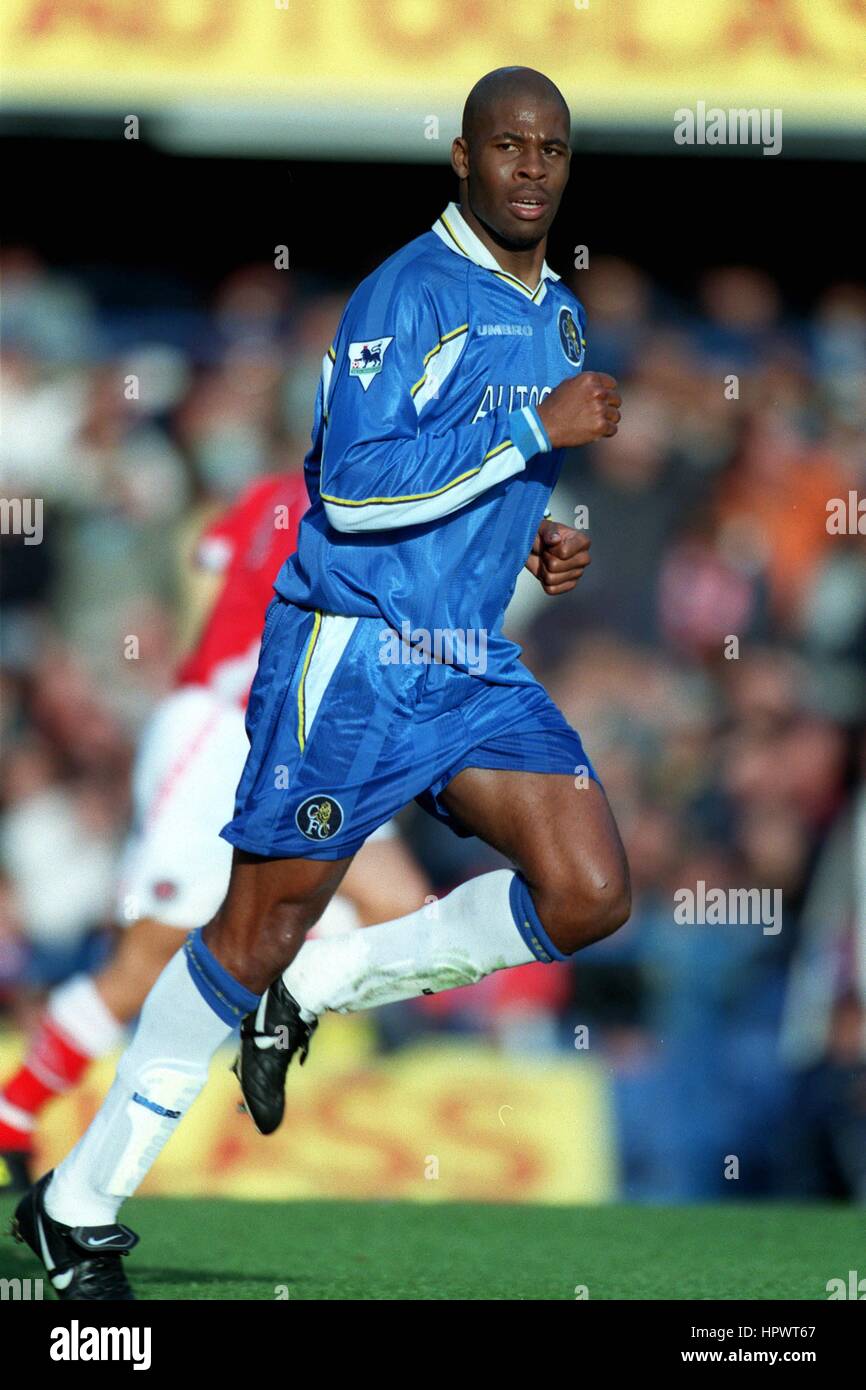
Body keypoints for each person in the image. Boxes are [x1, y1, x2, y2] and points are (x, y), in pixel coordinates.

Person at [13, 65, 630, 1300]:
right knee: (245, 931)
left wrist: (538, 540)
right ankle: (71, 1205)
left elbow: (489, 488)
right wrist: (529, 435)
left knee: (588, 890)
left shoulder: (556, 312)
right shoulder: (403, 292)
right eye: (504, 145)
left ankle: (322, 984)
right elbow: (350, 490)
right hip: (353, 653)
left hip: (467, 659)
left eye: (549, 150)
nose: (528, 167)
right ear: (460, 157)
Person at [0, 472, 430, 1192]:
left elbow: (207, 565)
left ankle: (275, 986)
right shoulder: (386, 498)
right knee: (143, 959)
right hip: (224, 731)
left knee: (404, 914)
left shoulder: (280, 489)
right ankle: (14, 1119)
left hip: (313, 741)